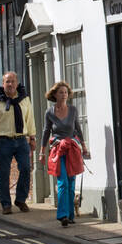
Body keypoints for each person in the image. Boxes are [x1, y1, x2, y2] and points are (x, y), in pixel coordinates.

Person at [0, 71, 36, 215]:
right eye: (7, 82)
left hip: (21, 140)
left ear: (17, 83)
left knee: (25, 168)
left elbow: (29, 119)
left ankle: (20, 199)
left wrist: (32, 137)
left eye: (12, 81)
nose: (10, 84)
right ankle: (6, 204)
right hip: (3, 141)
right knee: (3, 174)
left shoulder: (24, 99)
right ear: (2, 84)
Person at [40, 81, 89, 226]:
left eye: (66, 92)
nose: (64, 95)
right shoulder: (49, 112)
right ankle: (62, 215)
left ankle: (70, 215)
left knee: (71, 183)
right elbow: (46, 132)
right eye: (61, 92)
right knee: (62, 182)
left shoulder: (73, 110)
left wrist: (84, 147)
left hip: (72, 148)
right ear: (55, 95)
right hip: (57, 149)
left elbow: (78, 129)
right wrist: (42, 152)